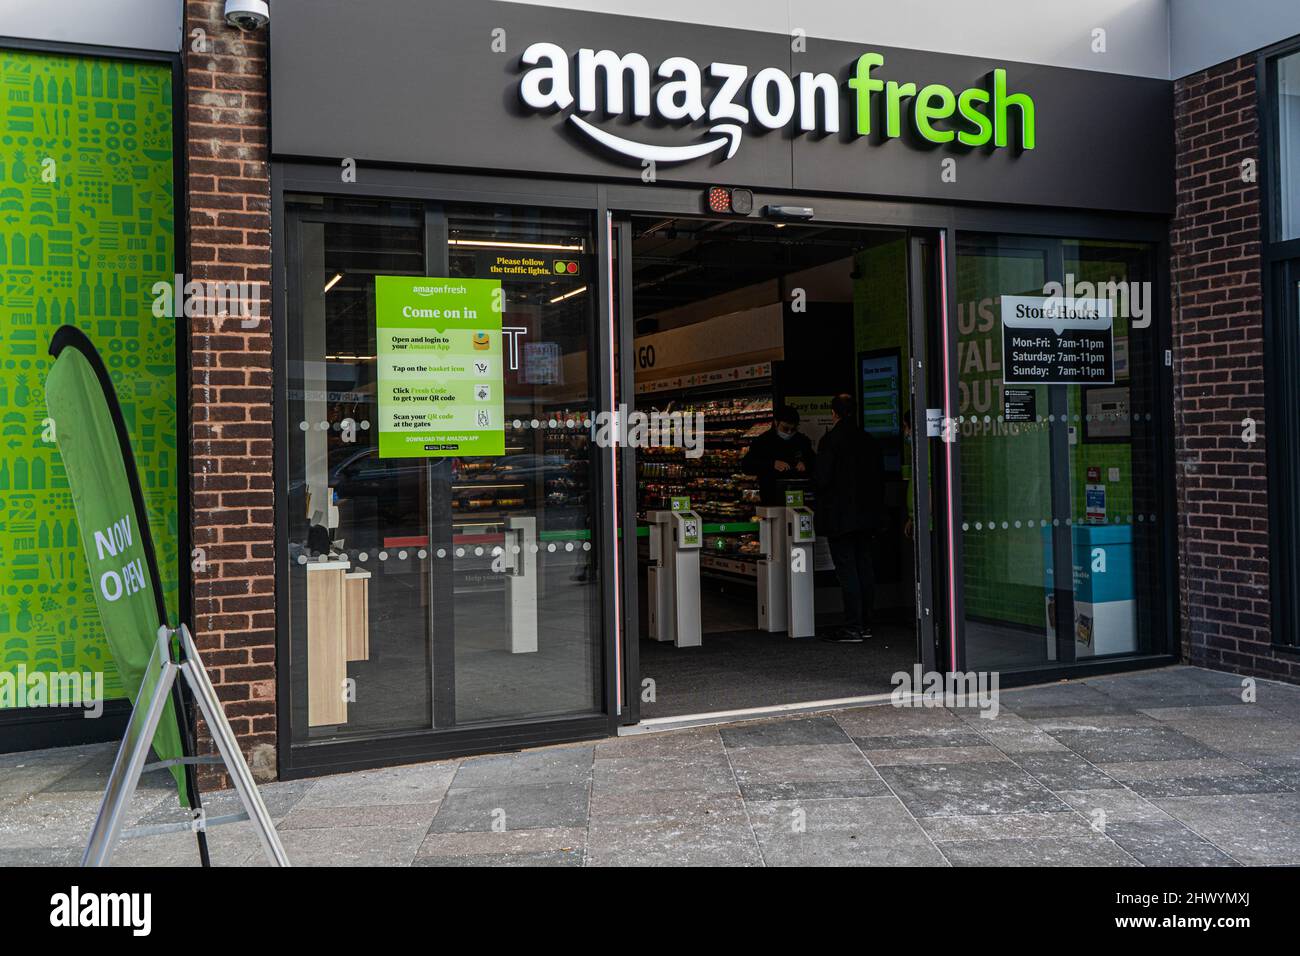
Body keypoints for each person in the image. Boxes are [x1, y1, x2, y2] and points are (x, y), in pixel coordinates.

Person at [815, 393, 885, 642]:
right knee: (864, 567)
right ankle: (866, 623)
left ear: (834, 413)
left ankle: (852, 626)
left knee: (847, 571)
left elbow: (822, 479)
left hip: (840, 517)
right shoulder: (869, 441)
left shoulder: (830, 441)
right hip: (867, 517)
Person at [741, 405, 815, 507]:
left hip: (799, 498)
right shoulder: (763, 441)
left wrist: (806, 463)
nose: (789, 432)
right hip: (771, 499)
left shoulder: (802, 441)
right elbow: (746, 466)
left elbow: (816, 462)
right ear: (776, 423)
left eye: (793, 429)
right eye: (785, 428)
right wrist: (772, 464)